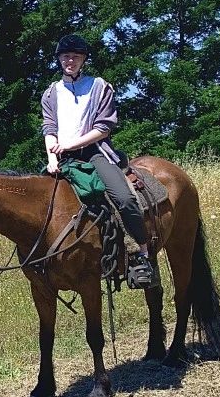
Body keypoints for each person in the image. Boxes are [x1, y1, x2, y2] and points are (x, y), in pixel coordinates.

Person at [40, 34, 155, 288]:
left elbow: (103, 128)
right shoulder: (51, 93)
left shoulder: (100, 87)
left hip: (95, 152)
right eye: (66, 56)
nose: (70, 60)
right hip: (61, 157)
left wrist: (69, 144)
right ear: (59, 59)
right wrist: (51, 157)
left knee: (123, 198)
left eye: (76, 56)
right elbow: (50, 128)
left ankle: (142, 254)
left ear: (83, 60)